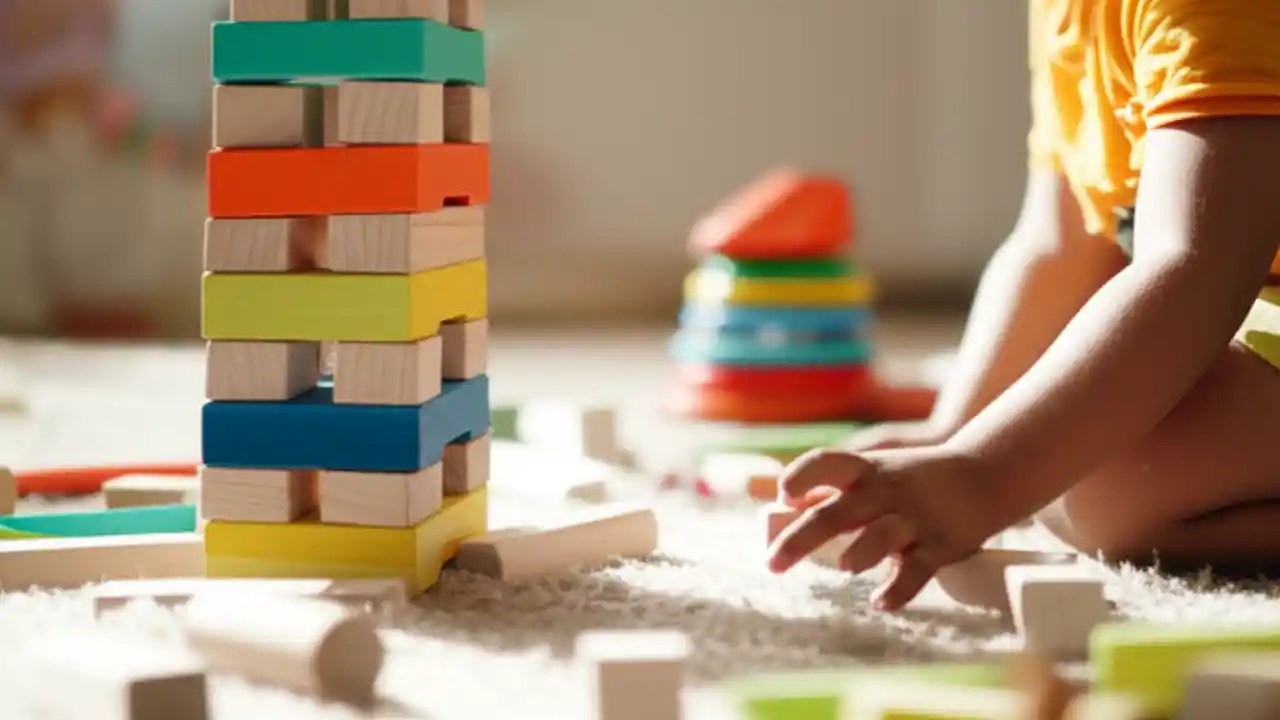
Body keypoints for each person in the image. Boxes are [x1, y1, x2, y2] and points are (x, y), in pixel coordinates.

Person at [767, 0, 1280, 611]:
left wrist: (983, 472)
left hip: (1234, 284)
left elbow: (1198, 263)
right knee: (1070, 444)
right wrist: (959, 430)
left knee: (1102, 473)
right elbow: (1057, 242)